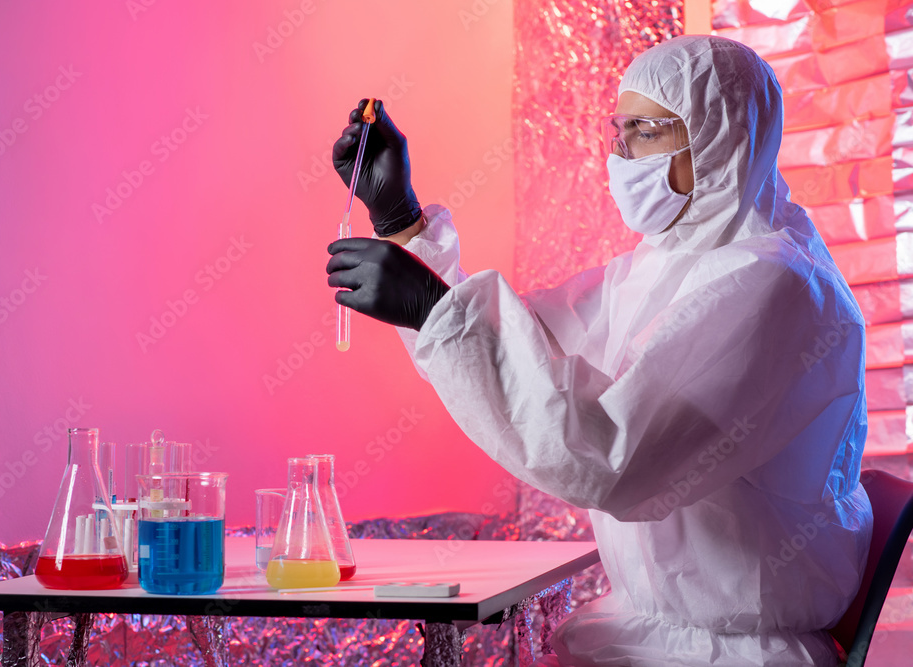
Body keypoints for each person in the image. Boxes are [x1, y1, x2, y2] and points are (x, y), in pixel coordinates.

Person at [326, 35, 872, 666]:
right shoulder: (670, 263)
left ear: (720, 136)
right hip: (651, 635)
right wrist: (401, 221)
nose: (619, 153)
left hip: (732, 654)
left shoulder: (774, 285)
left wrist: (434, 308)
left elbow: (610, 456)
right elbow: (525, 342)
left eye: (643, 130)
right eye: (618, 128)